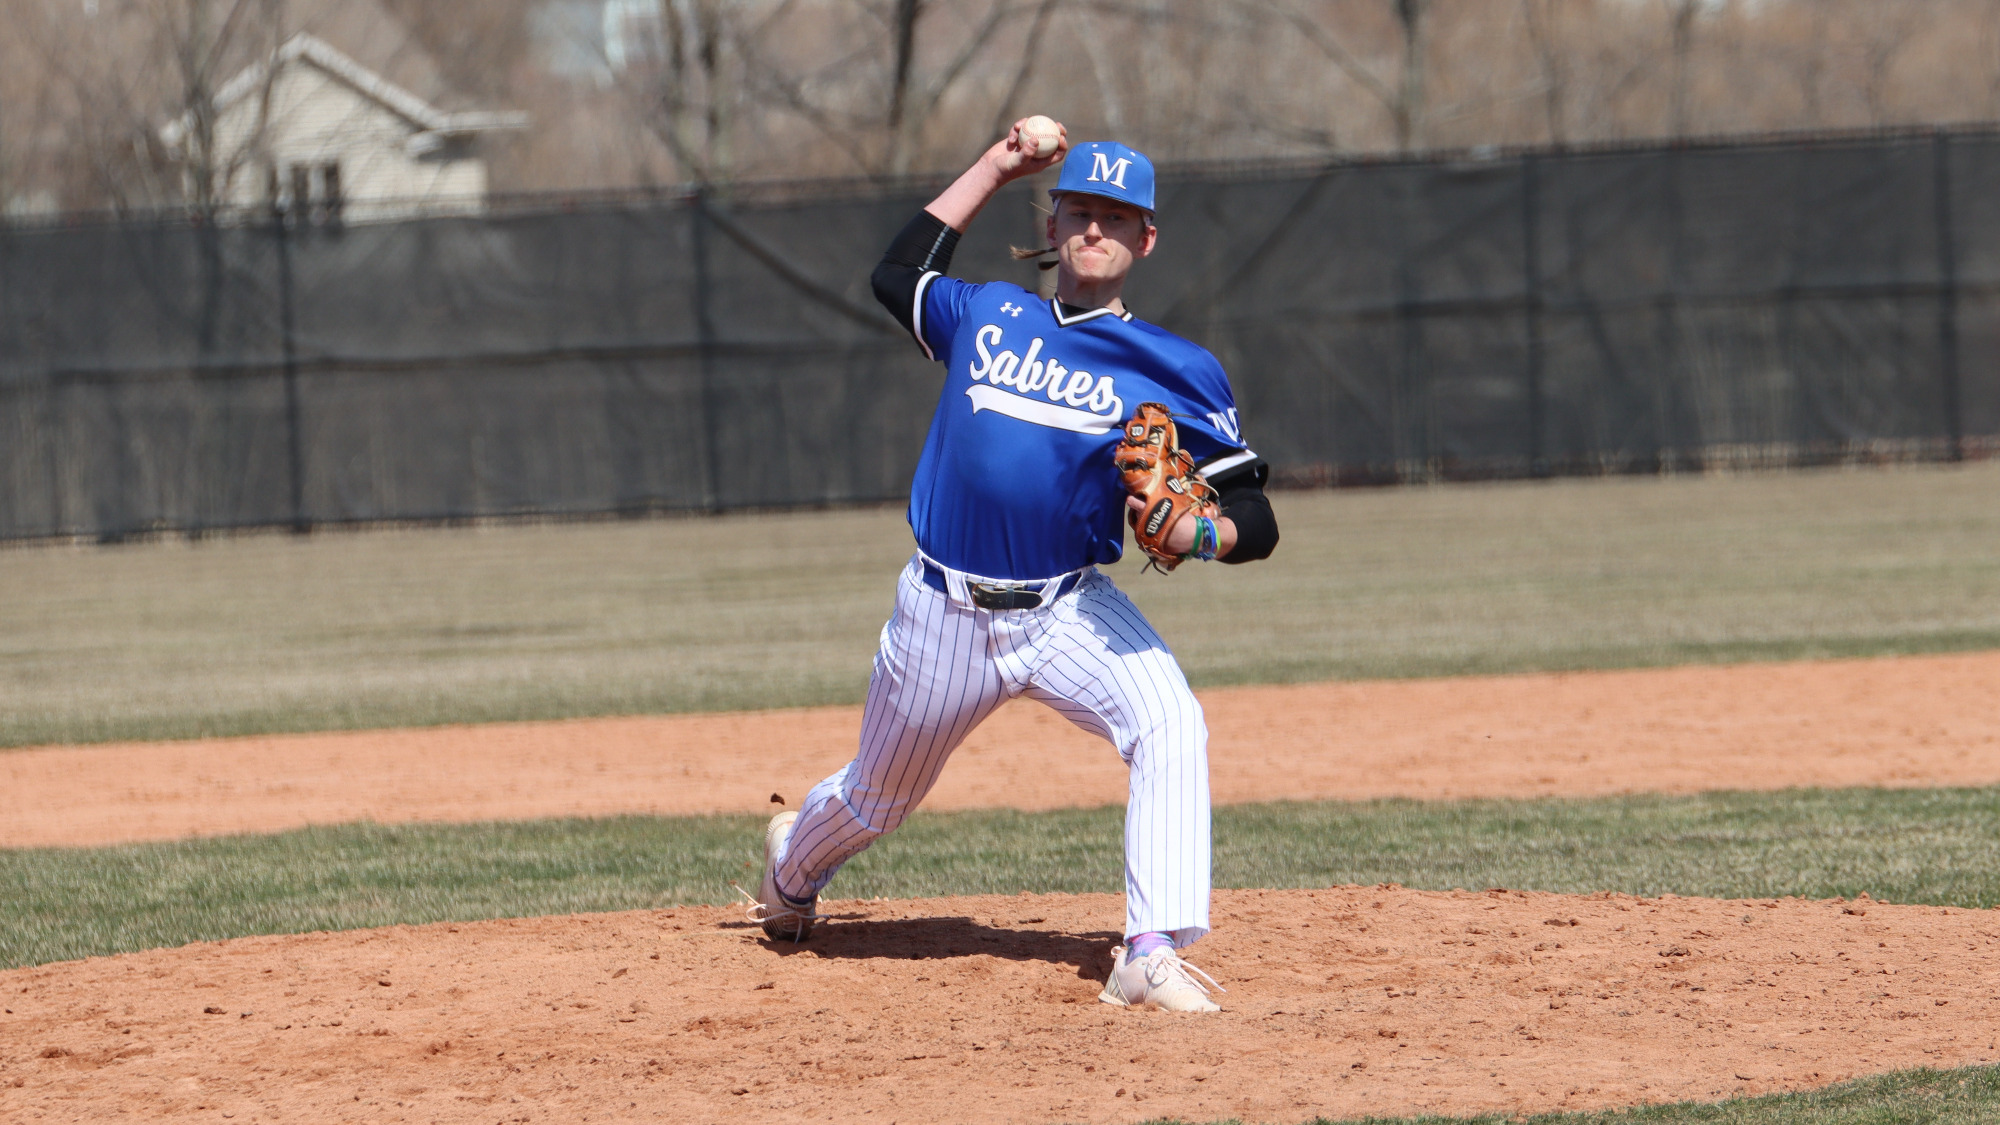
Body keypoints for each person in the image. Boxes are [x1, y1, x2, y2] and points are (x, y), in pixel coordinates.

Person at [746, 119, 1279, 1013]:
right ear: (1056, 220)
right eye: (1078, 210)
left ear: (1146, 237)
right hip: (941, 614)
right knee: (878, 798)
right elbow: (895, 275)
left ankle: (1150, 950)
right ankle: (792, 864)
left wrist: (1209, 536)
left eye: (1116, 215)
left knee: (1170, 722)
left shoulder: (1176, 368)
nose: (1094, 229)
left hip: (1067, 608)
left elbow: (1256, 517)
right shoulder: (986, 312)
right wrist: (997, 164)